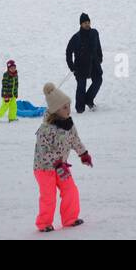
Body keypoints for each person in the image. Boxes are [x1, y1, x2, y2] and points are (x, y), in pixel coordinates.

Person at [34, 82, 91, 232]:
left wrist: (83, 154)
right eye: (64, 107)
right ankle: (44, 223)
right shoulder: (45, 129)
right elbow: (43, 151)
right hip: (44, 168)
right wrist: (57, 163)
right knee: (49, 196)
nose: (68, 110)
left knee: (71, 190)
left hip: (61, 166)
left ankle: (70, 218)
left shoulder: (69, 124)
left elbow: (75, 140)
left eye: (68, 106)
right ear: (55, 110)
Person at [66, 14, 103, 113]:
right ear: (81, 24)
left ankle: (89, 99)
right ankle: (80, 108)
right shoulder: (76, 37)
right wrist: (72, 66)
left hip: (94, 63)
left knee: (98, 80)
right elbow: (68, 52)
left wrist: (100, 58)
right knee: (81, 86)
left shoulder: (94, 33)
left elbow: (98, 46)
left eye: (88, 22)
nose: (87, 24)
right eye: (85, 23)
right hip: (80, 66)